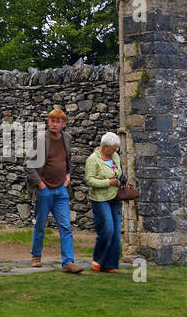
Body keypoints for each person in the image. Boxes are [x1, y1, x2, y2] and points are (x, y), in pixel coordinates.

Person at [23, 108, 83, 273]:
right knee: (41, 225)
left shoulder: (67, 138)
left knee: (65, 227)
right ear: (48, 122)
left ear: (63, 124)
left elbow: (66, 159)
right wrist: (41, 185)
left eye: (58, 122)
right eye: (52, 121)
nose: (55, 124)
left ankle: (68, 263)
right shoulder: (40, 139)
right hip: (45, 190)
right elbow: (28, 164)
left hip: (62, 190)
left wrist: (68, 175)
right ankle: (36, 256)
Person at [85, 132, 123, 273]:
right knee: (107, 229)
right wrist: (108, 182)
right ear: (105, 147)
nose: (115, 151)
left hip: (115, 198)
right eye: (113, 148)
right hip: (100, 199)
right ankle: (98, 260)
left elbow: (119, 173)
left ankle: (109, 264)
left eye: (116, 148)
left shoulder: (115, 157)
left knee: (116, 233)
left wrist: (120, 180)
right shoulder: (93, 160)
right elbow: (89, 180)